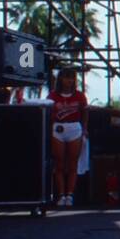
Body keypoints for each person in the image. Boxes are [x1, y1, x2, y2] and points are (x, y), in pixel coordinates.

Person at [48, 67, 88, 207]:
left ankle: (70, 195)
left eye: (71, 78)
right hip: (57, 128)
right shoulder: (53, 96)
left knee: (73, 163)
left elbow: (84, 113)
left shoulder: (79, 95)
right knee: (59, 163)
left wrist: (84, 129)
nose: (69, 81)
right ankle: (60, 195)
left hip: (74, 128)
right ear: (60, 79)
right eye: (66, 77)